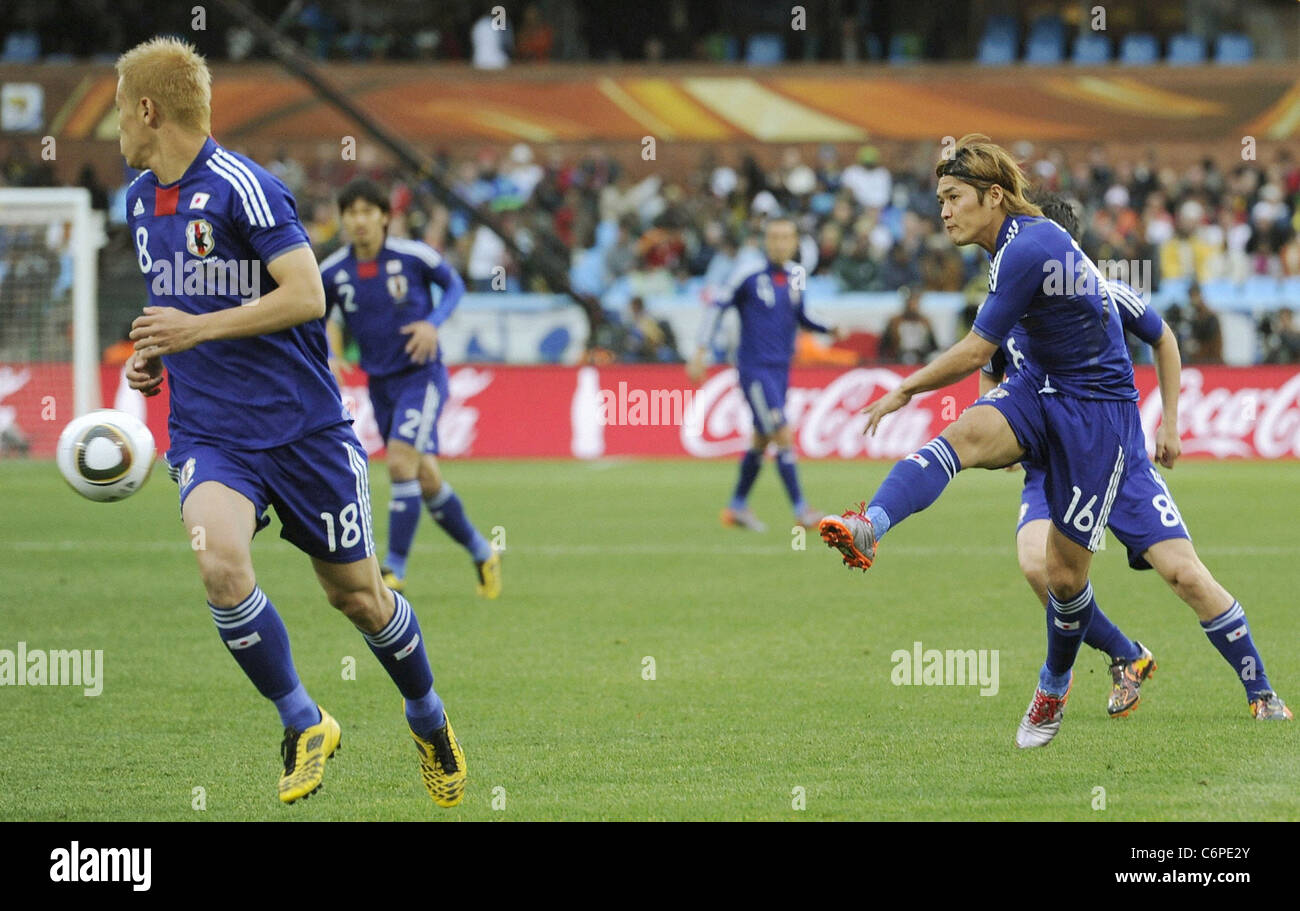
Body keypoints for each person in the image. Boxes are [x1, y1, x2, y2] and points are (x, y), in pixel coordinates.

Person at [815, 135, 1288, 751]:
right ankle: (870, 525)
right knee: (971, 451)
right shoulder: (1005, 257)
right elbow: (992, 365)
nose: (944, 212)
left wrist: (905, 388)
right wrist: (993, 419)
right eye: (940, 200)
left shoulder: (1037, 252)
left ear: (993, 197)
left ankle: (1083, 683)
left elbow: (991, 349)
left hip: (1098, 425)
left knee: (1110, 577)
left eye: (953, 198)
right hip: (1040, 400)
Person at [118, 37, 466, 806]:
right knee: (220, 565)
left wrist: (193, 331)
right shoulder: (139, 200)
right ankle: (304, 718)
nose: (118, 129)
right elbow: (181, 306)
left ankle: (427, 714)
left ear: (147, 110)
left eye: (120, 112)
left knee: (359, 597)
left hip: (304, 430)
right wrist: (156, 357)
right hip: (211, 435)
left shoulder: (245, 187)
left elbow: (307, 295)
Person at [986, 193, 1289, 721]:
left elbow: (1163, 337)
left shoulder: (1104, 294)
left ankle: (1261, 692)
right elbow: (989, 367)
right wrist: (997, 422)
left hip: (1119, 463)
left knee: (1185, 575)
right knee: (1040, 569)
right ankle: (1126, 654)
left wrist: (1170, 422)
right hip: (1051, 469)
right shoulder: (1004, 307)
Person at [321, 178, 501, 599]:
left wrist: (432, 324)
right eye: (351, 212)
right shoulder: (333, 271)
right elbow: (320, 314)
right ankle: (482, 552)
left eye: (368, 211)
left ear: (385, 216)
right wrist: (329, 353)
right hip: (380, 382)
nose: (359, 220)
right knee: (426, 477)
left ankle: (394, 570)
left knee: (401, 463)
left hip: (422, 376)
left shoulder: (413, 255)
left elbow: (454, 285)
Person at [688, 218, 846, 531]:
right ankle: (802, 509)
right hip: (754, 368)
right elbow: (717, 306)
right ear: (765, 241)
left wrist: (830, 327)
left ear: (795, 242)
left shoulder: (796, 275)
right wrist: (700, 350)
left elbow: (802, 315)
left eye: (786, 237)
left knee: (761, 438)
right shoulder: (747, 273)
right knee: (781, 432)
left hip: (781, 369)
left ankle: (736, 507)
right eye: (774, 237)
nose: (779, 243)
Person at [878, 286, 938, 364]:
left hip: (921, 357)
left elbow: (933, 346)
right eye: (911, 303)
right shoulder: (894, 322)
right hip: (899, 357)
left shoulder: (925, 322)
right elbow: (884, 346)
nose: (913, 306)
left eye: (915, 303)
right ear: (906, 304)